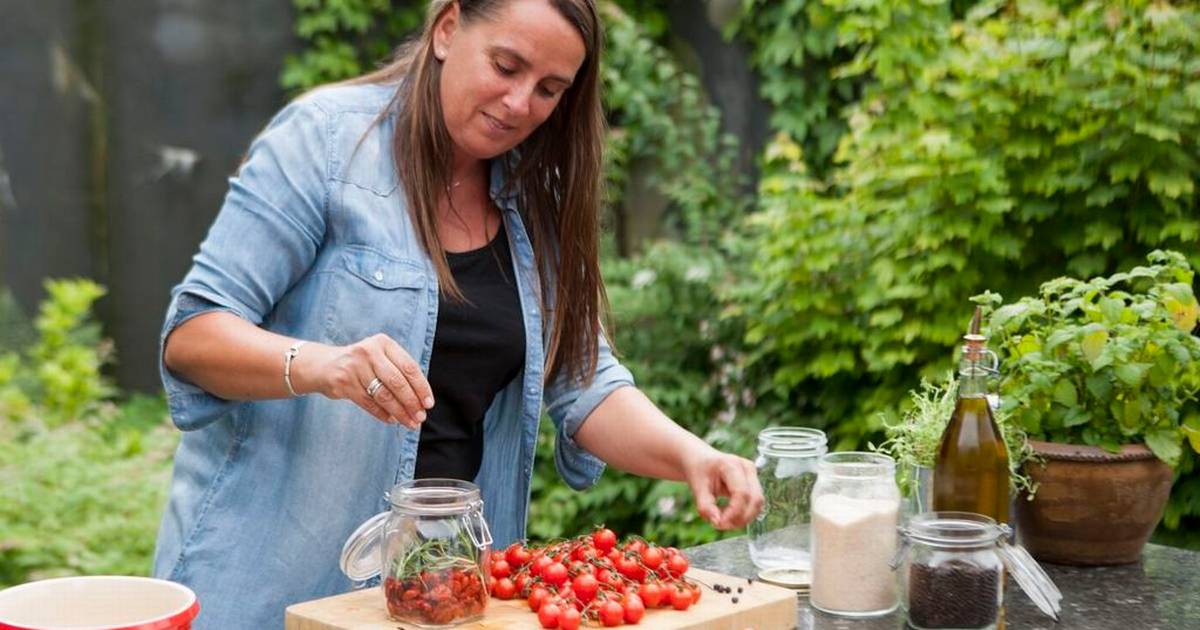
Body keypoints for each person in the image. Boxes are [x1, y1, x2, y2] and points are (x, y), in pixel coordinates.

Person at [153, 0, 764, 627]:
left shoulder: (536, 191)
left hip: (436, 595)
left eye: (549, 89)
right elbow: (193, 336)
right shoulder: (324, 143)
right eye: (506, 66)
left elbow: (583, 382)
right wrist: (322, 364)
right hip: (270, 588)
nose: (521, 103)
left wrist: (696, 457)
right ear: (447, 28)